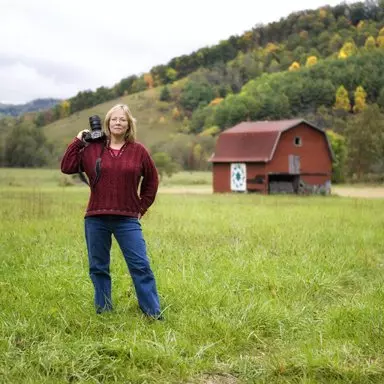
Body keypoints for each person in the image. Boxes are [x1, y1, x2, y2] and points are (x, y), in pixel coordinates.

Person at [61, 103, 162, 319]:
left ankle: (153, 313)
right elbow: (67, 166)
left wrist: (141, 207)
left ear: (129, 125)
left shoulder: (139, 151)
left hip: (127, 219)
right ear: (107, 123)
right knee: (98, 267)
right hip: (96, 218)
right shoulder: (92, 149)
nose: (118, 122)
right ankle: (104, 312)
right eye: (114, 119)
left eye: (122, 119)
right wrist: (78, 140)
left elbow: (152, 180)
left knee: (140, 266)